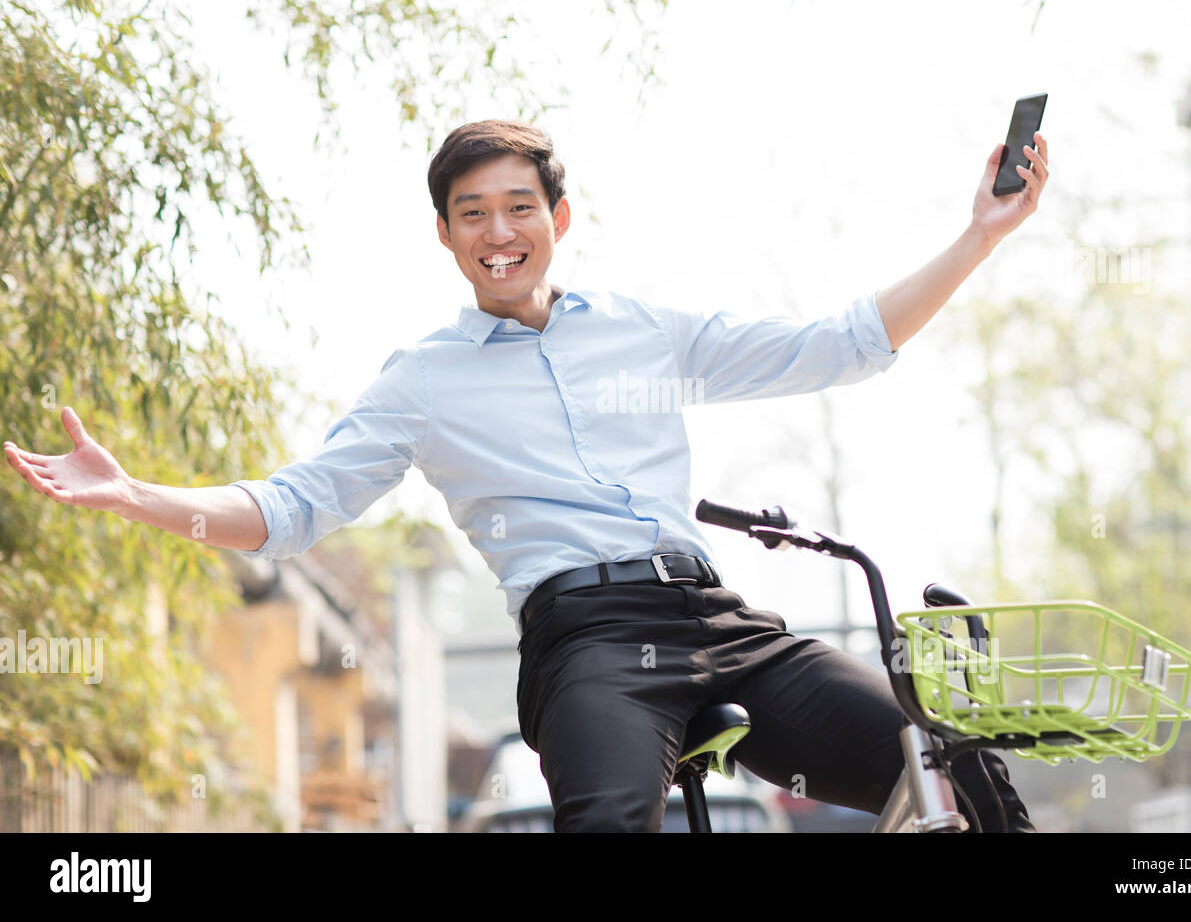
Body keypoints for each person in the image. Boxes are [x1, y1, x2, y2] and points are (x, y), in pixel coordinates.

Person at [4, 118, 1050, 832]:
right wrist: (135, 492)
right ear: (446, 234)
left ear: (558, 212)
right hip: (587, 641)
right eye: (472, 213)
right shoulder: (422, 380)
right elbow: (287, 510)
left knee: (950, 764)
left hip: (717, 619)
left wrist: (981, 233)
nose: (498, 233)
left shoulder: (645, 330)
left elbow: (840, 345)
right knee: (601, 818)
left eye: (517, 206)